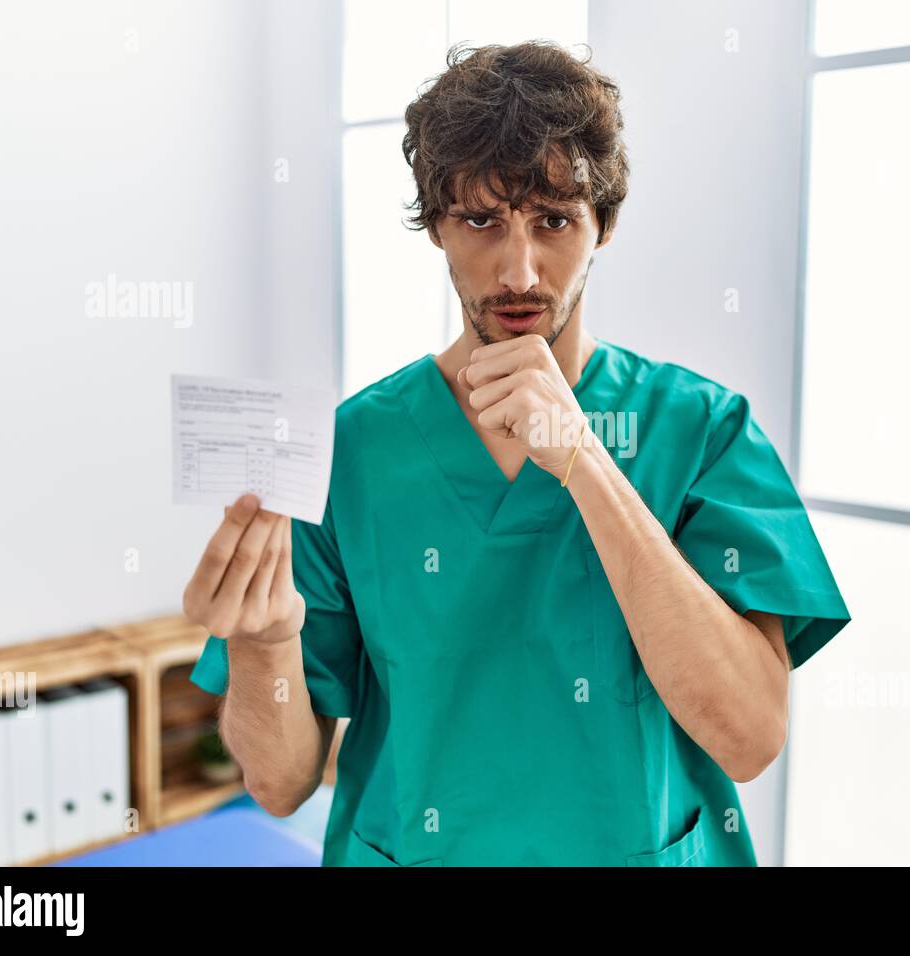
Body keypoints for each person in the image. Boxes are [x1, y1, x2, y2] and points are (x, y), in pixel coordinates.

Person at [184, 40, 849, 866]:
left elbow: (749, 739)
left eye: (555, 221)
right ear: (436, 227)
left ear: (603, 226)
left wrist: (585, 464)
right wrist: (265, 640)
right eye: (481, 220)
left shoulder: (701, 430)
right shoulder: (350, 451)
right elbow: (280, 785)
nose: (519, 270)